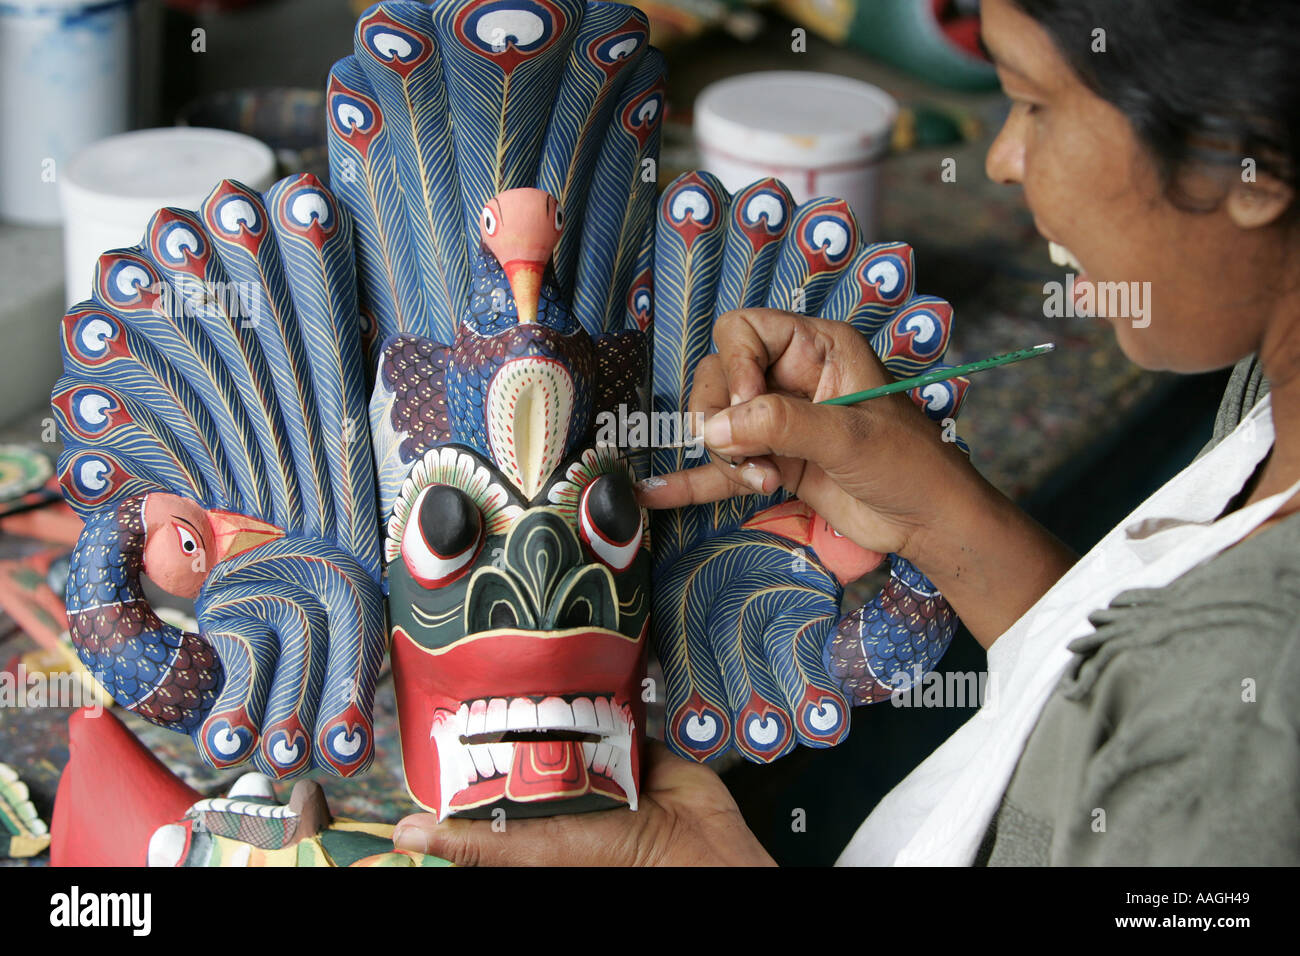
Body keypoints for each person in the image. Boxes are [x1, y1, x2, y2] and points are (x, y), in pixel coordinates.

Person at [391, 0, 1300, 865]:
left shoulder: (1251, 721)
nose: (1002, 157)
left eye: (1030, 102)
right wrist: (934, 508)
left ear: (1244, 161)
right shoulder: (1274, 406)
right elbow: (1121, 687)